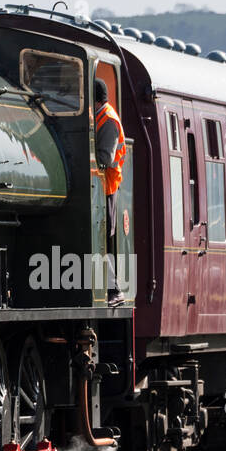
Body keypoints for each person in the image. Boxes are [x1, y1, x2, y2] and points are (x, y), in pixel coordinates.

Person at [93, 79, 127, 306]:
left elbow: (104, 158)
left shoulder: (108, 120)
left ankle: (114, 289)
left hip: (106, 187)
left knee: (102, 240)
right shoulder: (100, 116)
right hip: (101, 186)